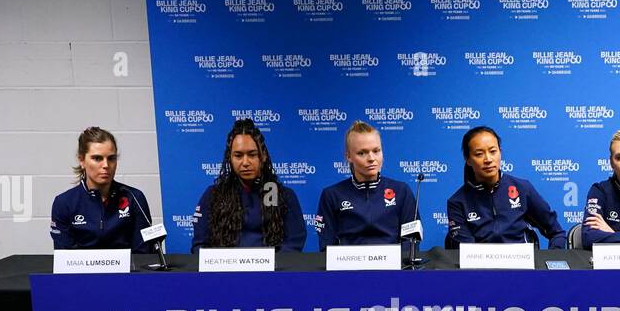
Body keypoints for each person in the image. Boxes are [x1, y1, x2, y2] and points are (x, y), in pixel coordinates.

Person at [191, 118, 307, 252]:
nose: (245, 162)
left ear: (262, 156)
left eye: (252, 154)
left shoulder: (281, 195)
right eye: (238, 155)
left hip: (271, 271)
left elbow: (293, 243)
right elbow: (200, 246)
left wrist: (270, 266)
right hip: (226, 270)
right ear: (230, 158)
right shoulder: (213, 195)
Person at [446, 125, 565, 248]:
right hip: (480, 265)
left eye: (493, 151)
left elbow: (557, 233)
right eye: (479, 154)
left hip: (523, 264)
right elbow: (466, 251)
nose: (488, 159)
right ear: (468, 159)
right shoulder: (457, 202)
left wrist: (551, 262)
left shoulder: (522, 188)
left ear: (500, 153)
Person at [315, 121, 420, 249]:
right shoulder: (331, 195)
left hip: (393, 268)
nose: (371, 158)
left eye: (376, 151)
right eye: (362, 153)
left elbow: (410, 243)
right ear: (348, 156)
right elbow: (327, 246)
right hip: (347, 267)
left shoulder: (402, 191)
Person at [50, 126, 155, 250]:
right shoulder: (64, 203)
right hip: (82, 269)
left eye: (111, 158)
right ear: (82, 160)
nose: (106, 165)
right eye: (97, 158)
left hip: (128, 269)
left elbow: (144, 256)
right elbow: (64, 258)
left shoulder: (134, 198)